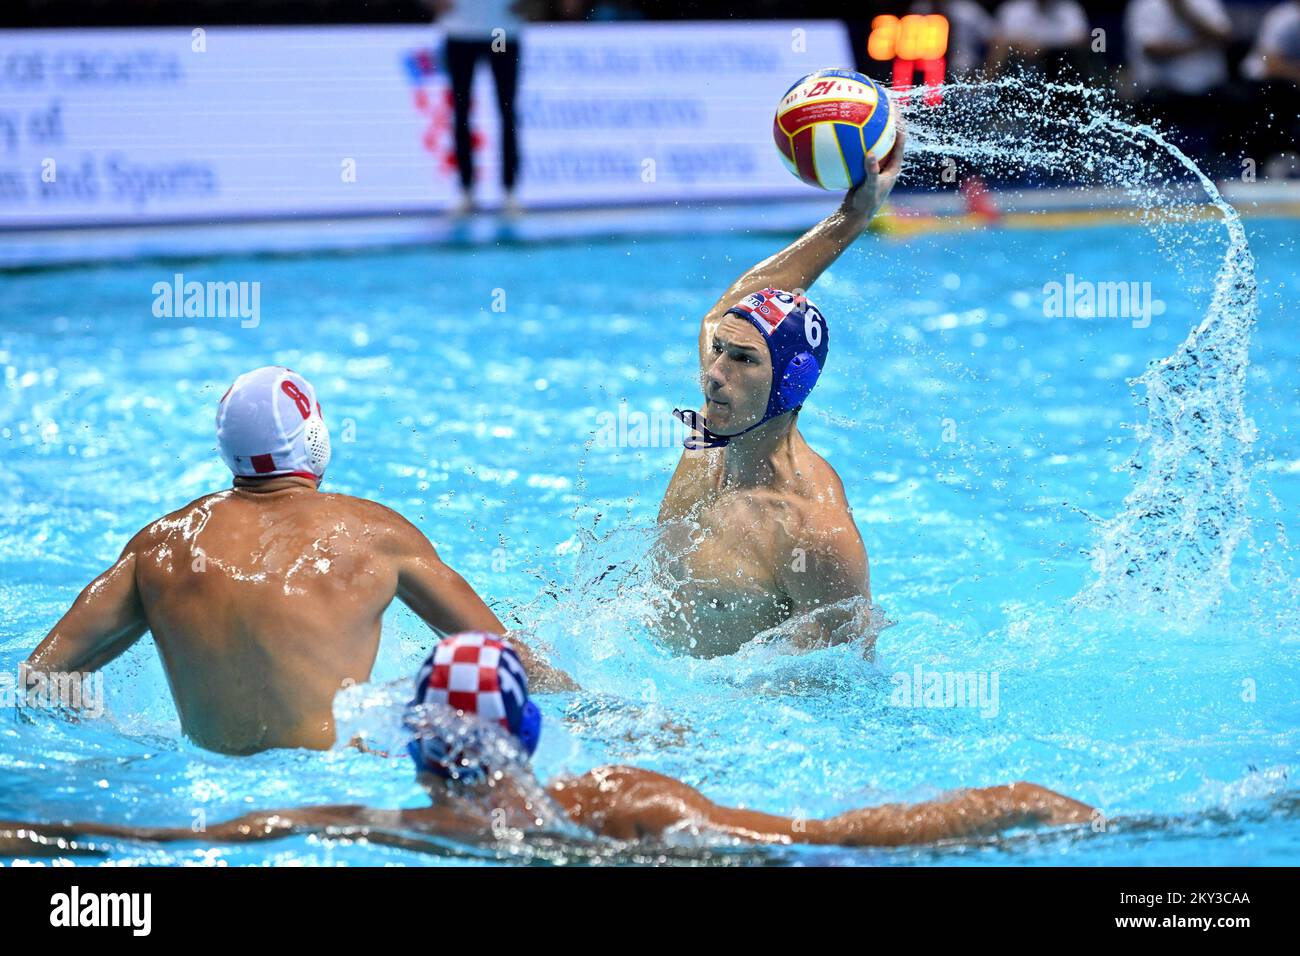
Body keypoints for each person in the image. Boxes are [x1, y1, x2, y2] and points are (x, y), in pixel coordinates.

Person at [0, 633, 1095, 857]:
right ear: (526, 732)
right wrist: (1015, 797)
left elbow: (173, 844)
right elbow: (834, 837)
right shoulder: (625, 800)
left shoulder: (386, 824)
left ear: (417, 746)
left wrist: (28, 835)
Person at [23, 367, 564, 756]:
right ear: (315, 438)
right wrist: (586, 704)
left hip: (206, 792)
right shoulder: (375, 533)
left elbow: (40, 677)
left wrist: (124, 742)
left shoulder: (159, 547)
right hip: (336, 790)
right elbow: (502, 658)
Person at [654, 129, 907, 658]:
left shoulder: (813, 531)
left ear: (789, 383)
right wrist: (852, 217)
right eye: (719, 350)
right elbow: (726, 310)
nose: (713, 374)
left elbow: (848, 682)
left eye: (743, 359)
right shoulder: (719, 423)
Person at [429, 0, 528, 216]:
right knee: (461, 112)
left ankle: (509, 190)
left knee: (506, 110)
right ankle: (466, 189)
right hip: (460, 32)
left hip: (500, 30)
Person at [989, 0, 1090, 77]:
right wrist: (1020, 45)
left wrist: (1043, 48)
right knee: (1002, 51)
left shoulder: (1070, 9)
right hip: (1019, 63)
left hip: (1058, 63)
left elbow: (1081, 40)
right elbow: (1000, 41)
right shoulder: (1012, 9)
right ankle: (989, 88)